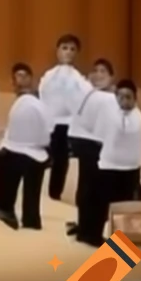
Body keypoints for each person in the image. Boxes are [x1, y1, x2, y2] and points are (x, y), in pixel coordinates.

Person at [78, 78, 141, 247]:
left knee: (124, 205)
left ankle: (123, 239)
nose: (124, 101)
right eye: (120, 97)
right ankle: (91, 235)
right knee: (100, 204)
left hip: (130, 168)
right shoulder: (109, 113)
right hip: (108, 166)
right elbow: (99, 134)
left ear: (135, 98)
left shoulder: (138, 117)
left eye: (128, 97)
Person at [0, 62, 52, 231]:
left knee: (3, 159)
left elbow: (46, 130)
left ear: (31, 79)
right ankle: (27, 218)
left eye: (24, 76)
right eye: (17, 77)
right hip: (35, 152)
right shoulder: (28, 103)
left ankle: (5, 209)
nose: (21, 80)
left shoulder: (33, 102)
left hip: (27, 151)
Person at [67, 58, 118, 239]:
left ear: (111, 77)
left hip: (101, 148)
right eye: (95, 70)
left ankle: (94, 231)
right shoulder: (88, 93)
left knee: (98, 191)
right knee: (84, 188)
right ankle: (83, 226)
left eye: (103, 71)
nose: (98, 74)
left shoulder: (113, 98)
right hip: (85, 145)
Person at [39, 33, 90, 202]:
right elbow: (43, 96)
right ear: (57, 51)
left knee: (60, 160)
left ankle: (55, 193)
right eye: (64, 48)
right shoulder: (48, 75)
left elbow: (85, 98)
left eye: (72, 49)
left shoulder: (78, 79)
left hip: (66, 124)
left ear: (76, 53)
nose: (68, 52)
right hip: (47, 122)